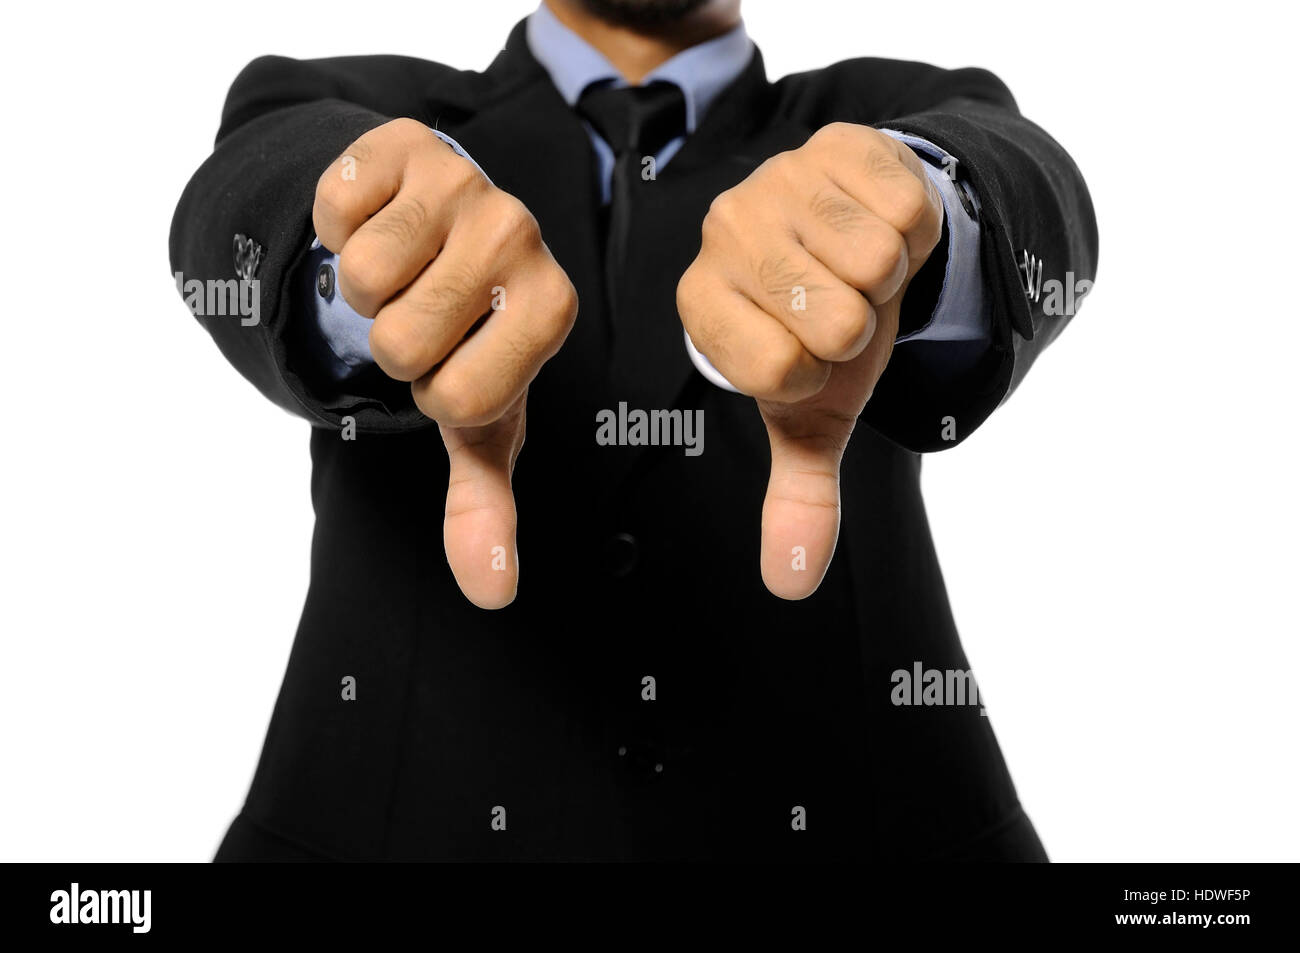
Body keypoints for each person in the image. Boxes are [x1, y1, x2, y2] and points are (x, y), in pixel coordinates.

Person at [170, 0, 1097, 861]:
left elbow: (1024, 184)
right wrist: (373, 257)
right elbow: (249, 202)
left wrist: (919, 225)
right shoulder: (356, 103)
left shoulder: (886, 112)